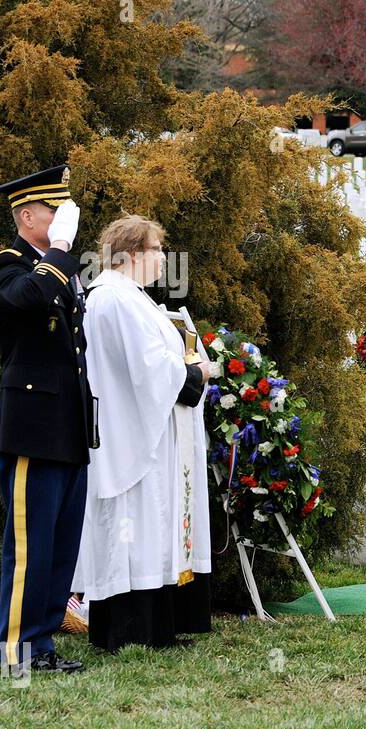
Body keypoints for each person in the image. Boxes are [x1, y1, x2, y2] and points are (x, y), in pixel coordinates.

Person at [71, 215, 216, 651]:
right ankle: (133, 630)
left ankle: (156, 627)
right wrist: (196, 373)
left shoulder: (130, 298)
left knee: (148, 530)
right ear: (132, 254)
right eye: (156, 251)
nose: (162, 259)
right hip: (132, 439)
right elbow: (150, 368)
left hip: (144, 432)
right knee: (135, 529)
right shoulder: (114, 299)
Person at [0, 164, 94, 672]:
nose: (65, 217)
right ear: (28, 215)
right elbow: (25, 301)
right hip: (31, 427)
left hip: (66, 428)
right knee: (29, 548)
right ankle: (17, 650)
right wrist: (59, 255)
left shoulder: (56, 267)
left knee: (60, 544)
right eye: (55, 210)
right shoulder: (9, 265)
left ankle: (42, 643)